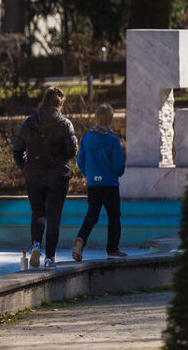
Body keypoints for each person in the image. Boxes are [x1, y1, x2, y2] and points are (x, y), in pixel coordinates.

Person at [12, 85, 77, 268]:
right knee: (54, 217)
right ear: (60, 104)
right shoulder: (64, 124)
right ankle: (50, 258)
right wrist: (59, 160)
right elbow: (72, 150)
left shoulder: (29, 123)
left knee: (37, 214)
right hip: (57, 176)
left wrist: (26, 167)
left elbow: (17, 150)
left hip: (34, 175)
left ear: (43, 101)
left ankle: (36, 245)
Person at [72, 103, 127, 260]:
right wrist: (114, 173)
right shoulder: (112, 140)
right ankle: (112, 249)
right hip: (109, 185)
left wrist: (90, 174)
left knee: (92, 215)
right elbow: (119, 166)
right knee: (114, 216)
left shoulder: (87, 138)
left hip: (93, 185)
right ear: (110, 121)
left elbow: (80, 161)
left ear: (96, 118)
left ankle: (81, 238)